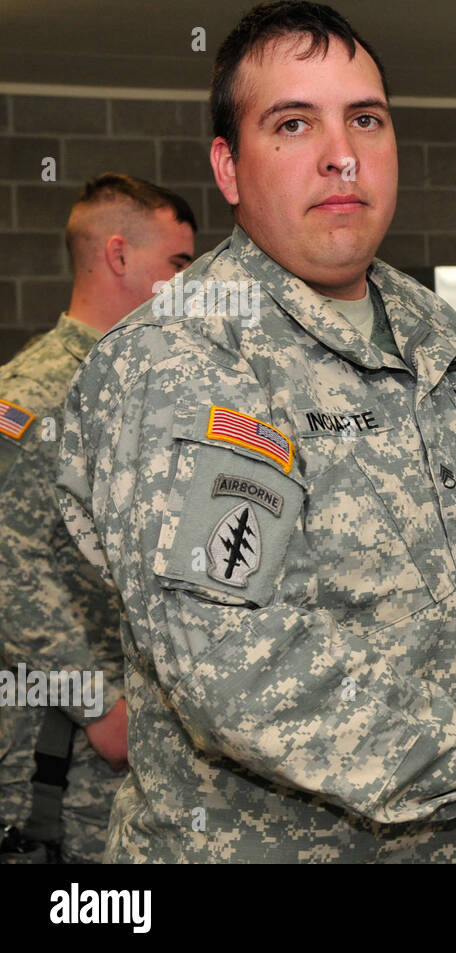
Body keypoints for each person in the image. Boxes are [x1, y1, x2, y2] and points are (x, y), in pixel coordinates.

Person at [56, 1, 456, 864]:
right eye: (293, 123)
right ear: (229, 168)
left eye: (366, 117)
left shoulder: (437, 328)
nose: (342, 153)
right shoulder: (181, 361)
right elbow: (242, 669)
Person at [0, 173, 195, 862]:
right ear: (118, 255)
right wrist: (100, 704)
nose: (190, 285)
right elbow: (6, 565)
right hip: (64, 757)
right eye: (178, 264)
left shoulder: (129, 385)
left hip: (134, 754)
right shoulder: (40, 393)